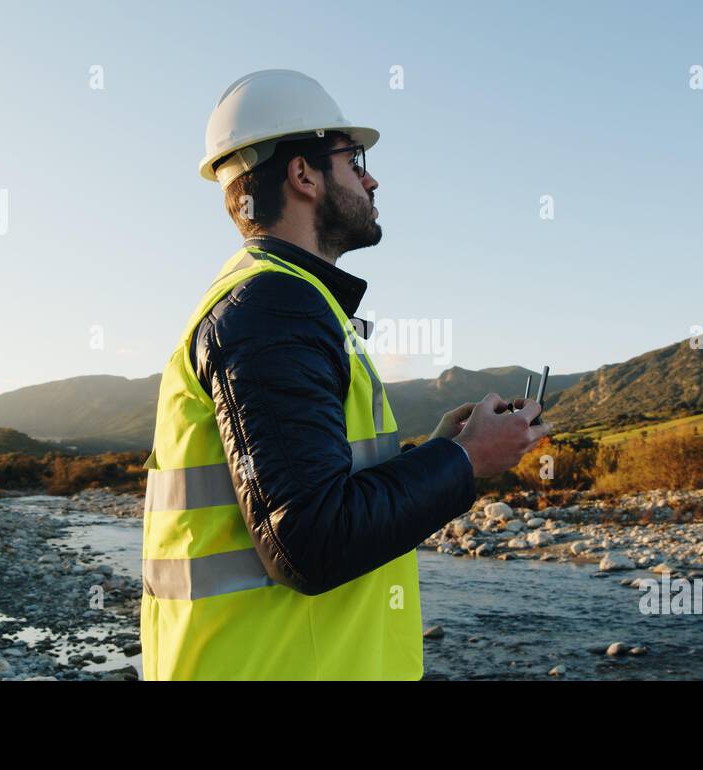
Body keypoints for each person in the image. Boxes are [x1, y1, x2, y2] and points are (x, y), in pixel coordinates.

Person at [140, 69, 551, 680]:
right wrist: (466, 462)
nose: (371, 177)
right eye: (352, 160)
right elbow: (309, 541)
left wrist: (444, 449)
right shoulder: (272, 309)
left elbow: (319, 493)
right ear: (303, 175)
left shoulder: (287, 302)